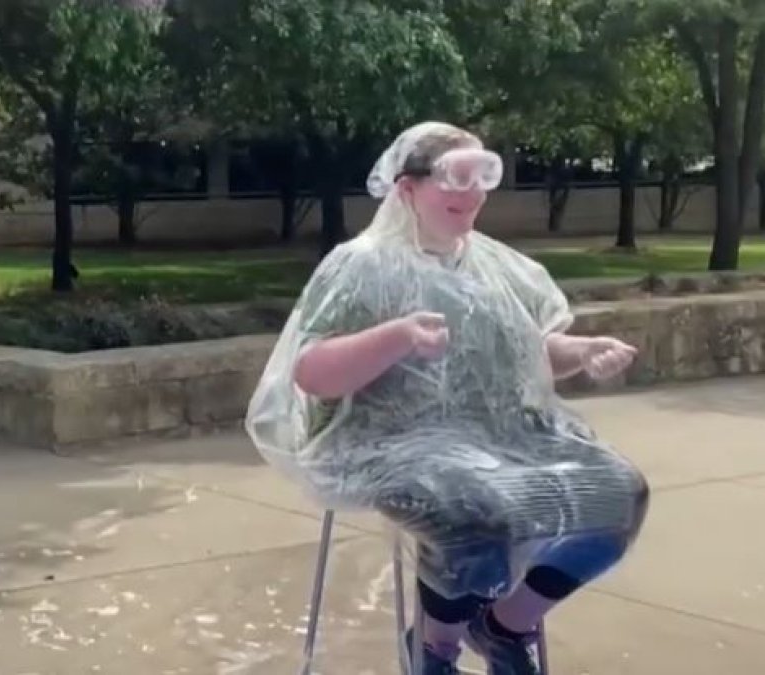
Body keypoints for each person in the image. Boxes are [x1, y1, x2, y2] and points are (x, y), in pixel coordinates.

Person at [244, 121, 650, 675]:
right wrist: (398, 336)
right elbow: (313, 374)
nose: (473, 193)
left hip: (501, 435)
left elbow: (530, 350)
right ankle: (433, 649)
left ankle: (505, 625)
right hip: (385, 441)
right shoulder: (362, 265)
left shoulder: (497, 266)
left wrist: (582, 351)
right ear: (407, 189)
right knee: (477, 517)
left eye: (483, 177)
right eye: (456, 178)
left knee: (616, 494)